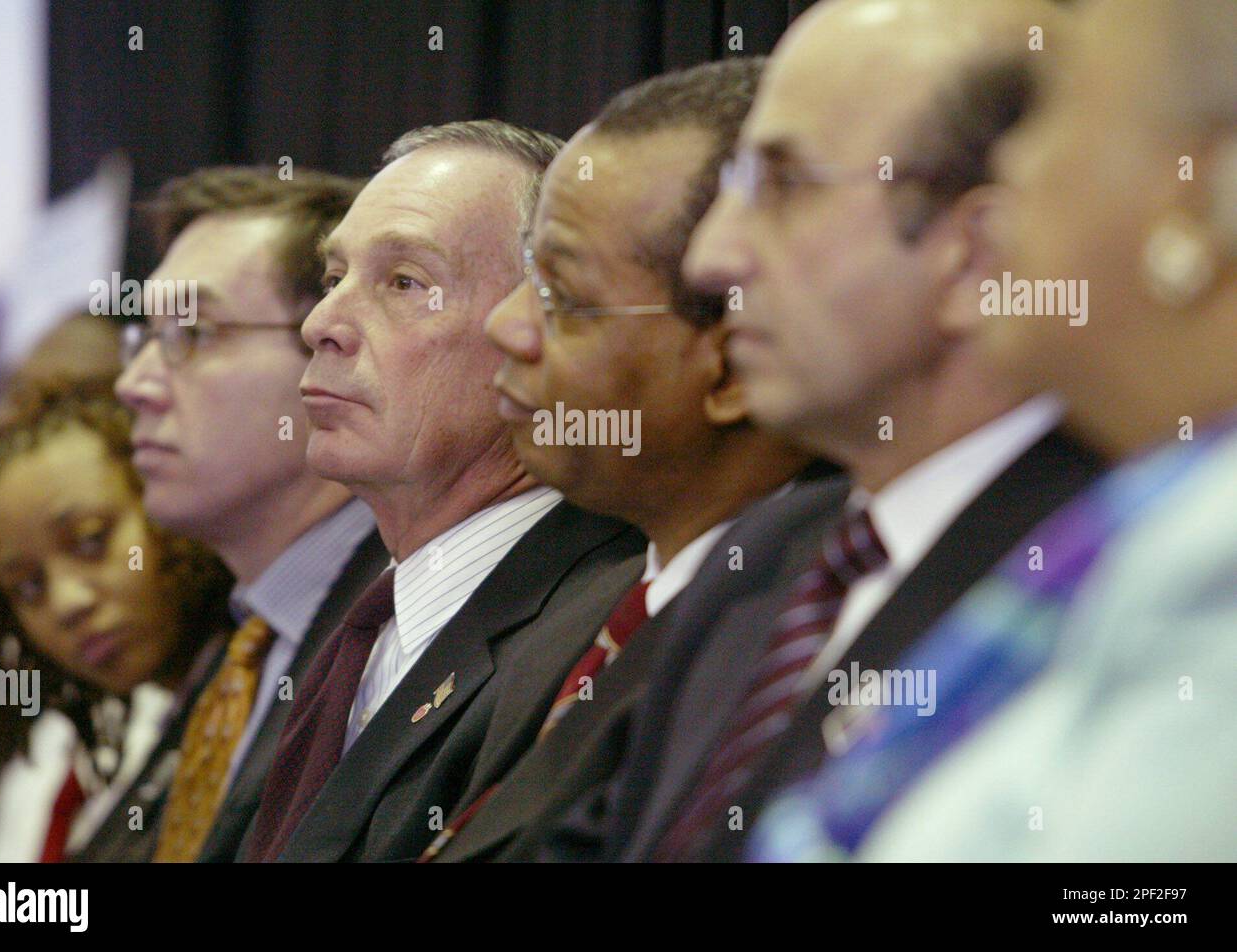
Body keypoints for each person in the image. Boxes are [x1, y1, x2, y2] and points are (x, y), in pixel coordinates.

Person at [598, 0, 1099, 863]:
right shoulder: (761, 558)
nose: (711, 259)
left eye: (783, 186)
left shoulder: (1102, 580)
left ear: (975, 253)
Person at [841, 0, 1237, 862]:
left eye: (1052, 106)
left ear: (1196, 191)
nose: (1009, 162)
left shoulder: (1218, 566)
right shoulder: (1136, 529)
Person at [423, 59, 840, 863]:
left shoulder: (797, 651)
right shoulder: (576, 622)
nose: (505, 328)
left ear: (729, 361)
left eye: (563, 297)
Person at [244, 120, 647, 863]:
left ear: (540, 327)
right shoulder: (361, 621)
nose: (320, 323)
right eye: (334, 280)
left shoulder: (607, 632)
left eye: (405, 282)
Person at [88, 166, 386, 863]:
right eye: (145, 338)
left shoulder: (404, 633)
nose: (133, 387)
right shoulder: (239, 647)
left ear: (329, 348)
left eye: (192, 333)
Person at [0, 378, 231, 862]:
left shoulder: (282, 680)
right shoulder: (140, 747)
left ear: (163, 499)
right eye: (27, 587)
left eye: (92, 540)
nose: (67, 603)